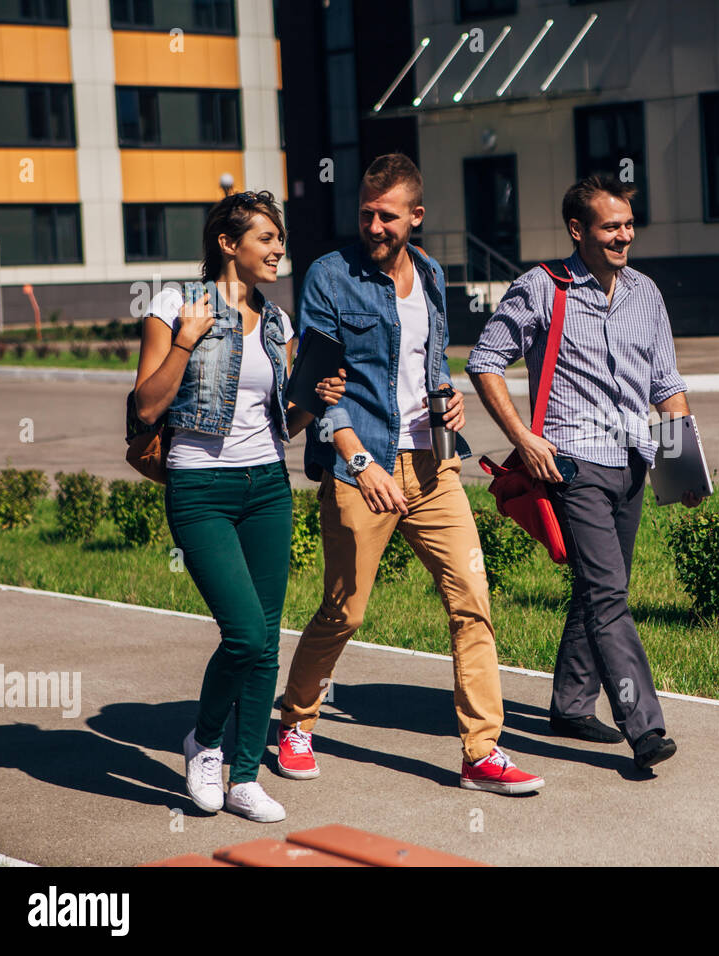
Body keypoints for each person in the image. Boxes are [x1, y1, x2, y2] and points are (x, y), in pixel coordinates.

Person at [276, 153, 543, 796]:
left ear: (415, 217)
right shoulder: (328, 278)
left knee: (472, 601)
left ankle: (482, 751)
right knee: (345, 609)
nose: (373, 226)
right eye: (366, 213)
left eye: (387, 216)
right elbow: (319, 382)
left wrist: (448, 395)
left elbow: (432, 360)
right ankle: (296, 722)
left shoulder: (428, 273)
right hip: (359, 464)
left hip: (433, 463)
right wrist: (359, 462)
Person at [467, 174, 699, 773]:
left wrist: (683, 469)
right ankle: (643, 726)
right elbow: (485, 360)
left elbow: (666, 386)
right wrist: (523, 438)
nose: (624, 236)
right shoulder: (542, 288)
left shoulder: (646, 292)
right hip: (574, 463)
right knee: (607, 595)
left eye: (628, 224)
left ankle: (570, 705)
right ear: (578, 231)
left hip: (634, 463)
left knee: (603, 587)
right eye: (610, 227)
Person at [132, 190, 346, 822]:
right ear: (229, 244)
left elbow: (283, 421)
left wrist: (315, 399)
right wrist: (183, 343)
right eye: (267, 239)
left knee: (267, 639)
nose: (280, 249)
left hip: (266, 488)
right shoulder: (175, 307)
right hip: (199, 488)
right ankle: (204, 741)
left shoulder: (276, 322)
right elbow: (146, 408)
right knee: (245, 633)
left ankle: (245, 776)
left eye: (281, 240)